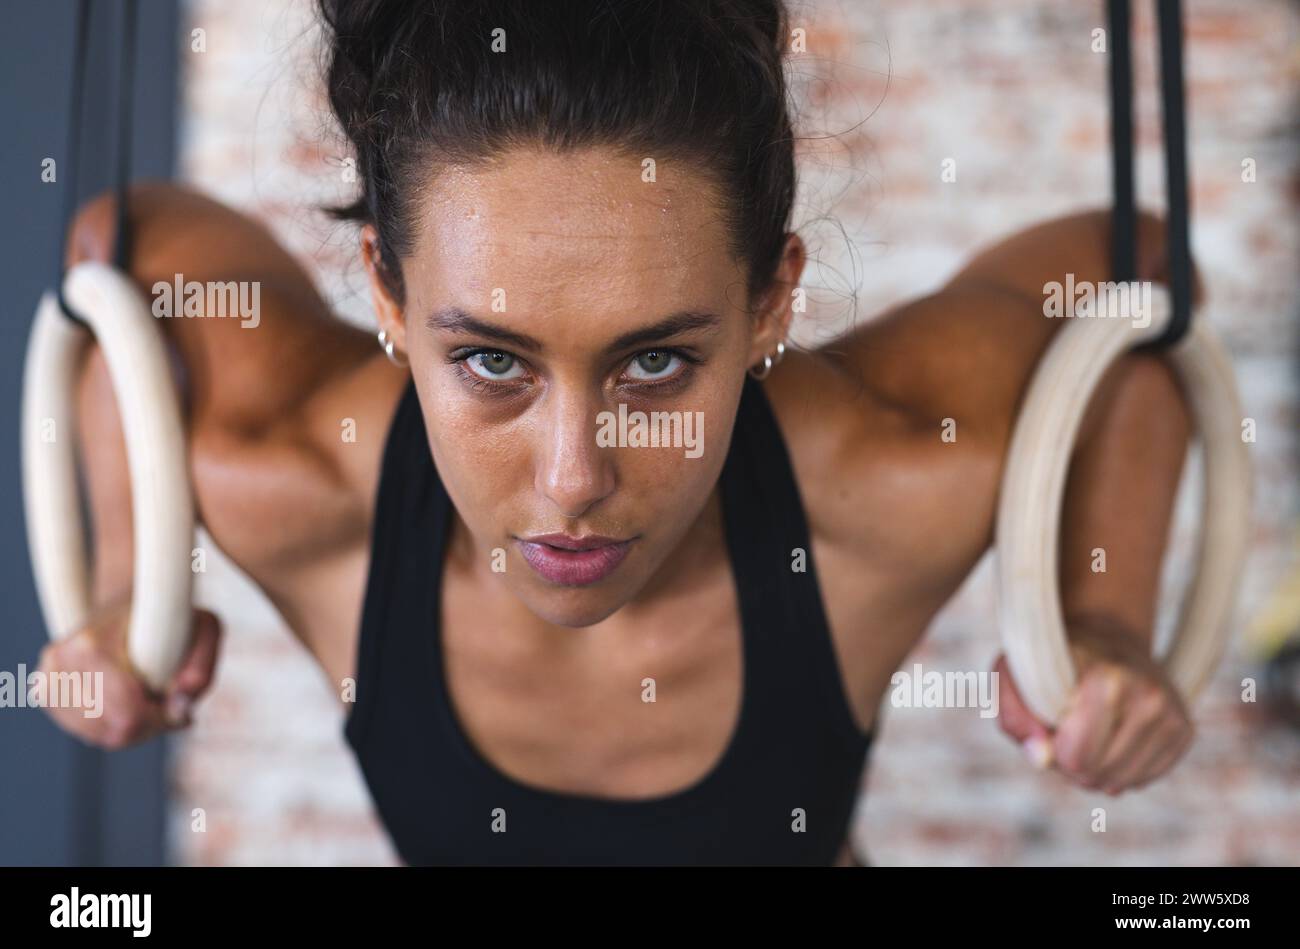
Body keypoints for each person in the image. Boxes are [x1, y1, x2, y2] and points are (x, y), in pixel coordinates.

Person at [38, 0, 1196, 865]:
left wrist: (1100, 622)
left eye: (655, 363)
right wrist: (125, 594)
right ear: (388, 295)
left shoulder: (879, 479)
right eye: (492, 362)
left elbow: (1138, 294)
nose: (572, 479)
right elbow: (125, 265)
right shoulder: (306, 480)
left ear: (769, 303)